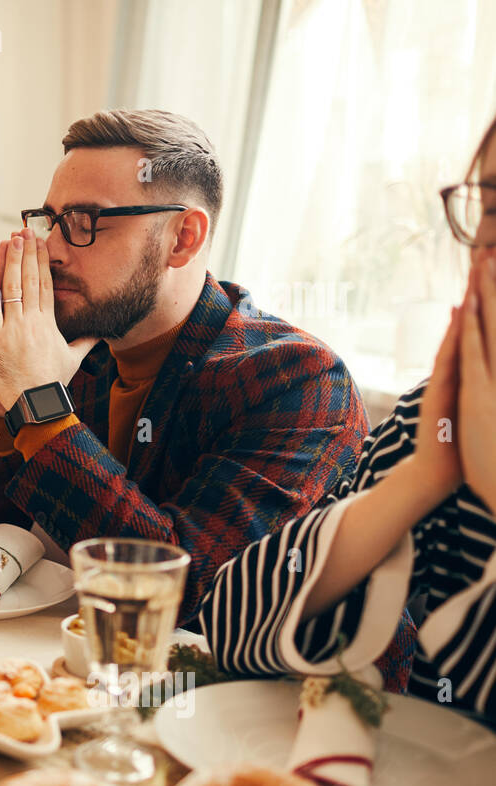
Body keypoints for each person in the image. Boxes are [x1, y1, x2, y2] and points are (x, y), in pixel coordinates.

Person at [0, 109, 370, 630]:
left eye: (84, 222)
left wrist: (40, 405)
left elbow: (180, 593)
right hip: (80, 667)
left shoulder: (297, 380)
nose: (51, 249)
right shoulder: (79, 350)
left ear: (183, 237)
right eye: (51, 220)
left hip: (259, 698)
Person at [196, 114, 496, 716]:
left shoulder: (295, 373)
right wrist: (424, 477)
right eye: (490, 210)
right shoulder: (433, 421)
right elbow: (225, 624)